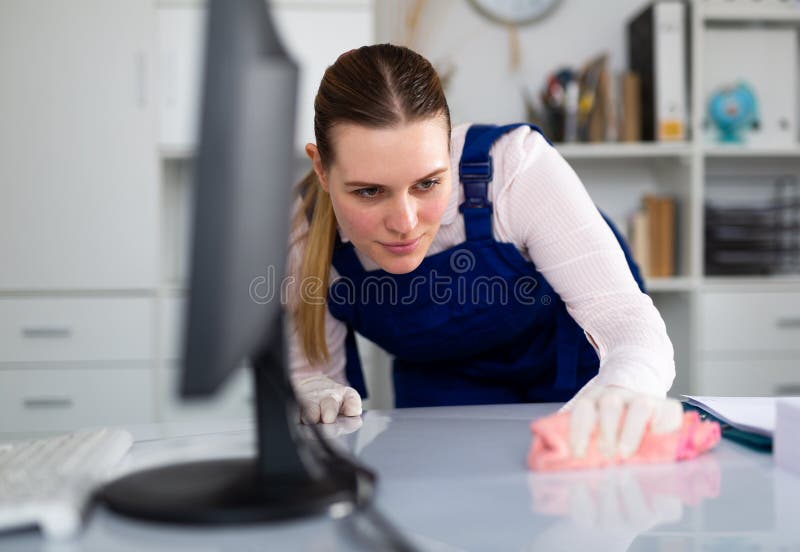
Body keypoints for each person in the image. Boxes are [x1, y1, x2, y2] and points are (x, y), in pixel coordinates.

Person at [285, 44, 683, 460]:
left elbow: (627, 322)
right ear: (321, 169)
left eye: (427, 184)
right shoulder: (304, 236)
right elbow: (321, 400)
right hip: (440, 393)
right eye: (369, 191)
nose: (404, 222)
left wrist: (624, 388)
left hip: (573, 377)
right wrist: (308, 388)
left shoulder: (515, 170)